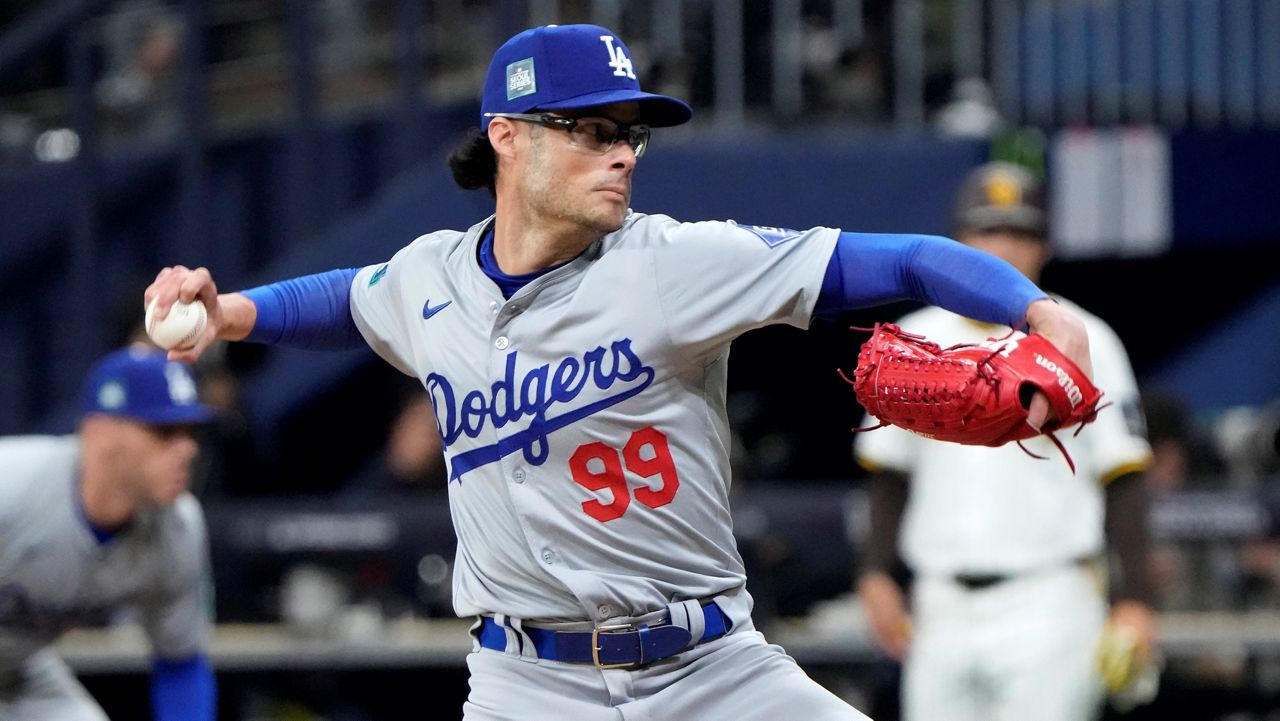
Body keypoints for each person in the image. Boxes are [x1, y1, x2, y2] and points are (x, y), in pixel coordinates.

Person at [144, 25, 1094, 721]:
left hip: (713, 671)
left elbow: (912, 258)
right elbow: (348, 298)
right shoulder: (430, 277)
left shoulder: (677, 262)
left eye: (631, 132)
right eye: (592, 131)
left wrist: (1038, 310)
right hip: (528, 683)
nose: (623, 153)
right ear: (509, 135)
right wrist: (230, 313)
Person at [853, 161, 1157, 721]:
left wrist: (1136, 599)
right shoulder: (916, 339)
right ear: (958, 243)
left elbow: (1124, 475)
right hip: (939, 603)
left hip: (1049, 599)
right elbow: (889, 472)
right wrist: (875, 575)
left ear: (1045, 247)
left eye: (1020, 233)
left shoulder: (1085, 340)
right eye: (987, 231)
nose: (1003, 246)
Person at [0, 345, 217, 721]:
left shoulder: (178, 527)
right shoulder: (13, 484)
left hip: (17, 668)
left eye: (189, 432)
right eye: (164, 431)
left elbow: (180, 665)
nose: (187, 449)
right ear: (100, 433)